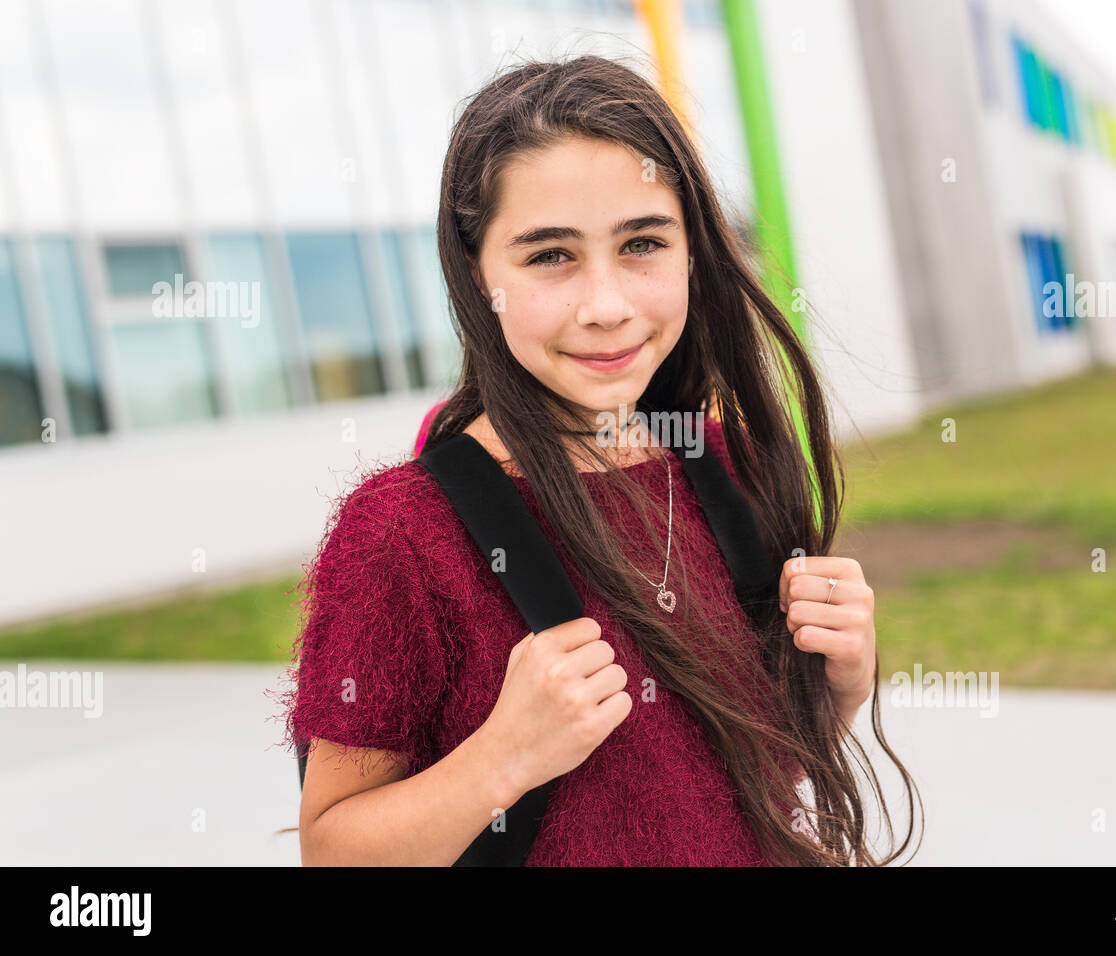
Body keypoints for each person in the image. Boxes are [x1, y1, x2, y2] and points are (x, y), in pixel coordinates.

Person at [272, 53, 922, 866]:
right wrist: (502, 756)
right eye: (550, 256)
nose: (607, 306)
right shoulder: (400, 533)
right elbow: (333, 851)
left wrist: (837, 685)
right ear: (476, 276)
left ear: (693, 253)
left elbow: (744, 777)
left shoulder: (731, 471)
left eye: (643, 243)